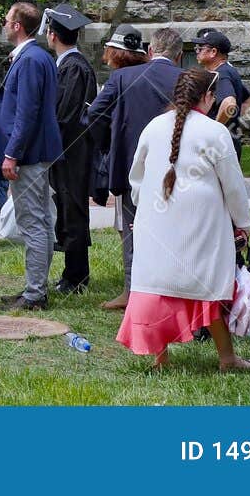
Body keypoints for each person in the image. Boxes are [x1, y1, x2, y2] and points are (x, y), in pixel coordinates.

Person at [117, 67, 250, 373]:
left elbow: (136, 177)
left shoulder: (153, 127)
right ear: (207, 97)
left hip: (157, 220)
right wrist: (243, 222)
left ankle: (161, 358)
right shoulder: (216, 132)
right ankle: (226, 358)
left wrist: (144, 211)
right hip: (200, 226)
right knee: (205, 287)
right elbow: (233, 185)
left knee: (159, 287)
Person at [86, 26, 182, 310]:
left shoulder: (122, 77)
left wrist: (108, 145)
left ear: (151, 51)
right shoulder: (186, 79)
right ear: (178, 57)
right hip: (174, 168)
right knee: (172, 230)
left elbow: (94, 114)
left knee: (130, 231)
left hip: (130, 166)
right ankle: (169, 292)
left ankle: (132, 291)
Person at [0, 1, 62, 312]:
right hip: (36, 151)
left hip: (29, 154)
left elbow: (27, 112)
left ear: (18, 26)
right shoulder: (38, 56)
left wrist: (12, 154)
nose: (5, 25)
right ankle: (35, 288)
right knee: (40, 221)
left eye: (7, 20)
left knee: (33, 222)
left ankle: (34, 294)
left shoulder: (30, 60)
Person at [47, 4, 96, 294]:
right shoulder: (67, 65)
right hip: (68, 149)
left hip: (72, 149)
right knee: (67, 207)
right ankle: (72, 272)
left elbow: (65, 114)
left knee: (74, 208)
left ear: (53, 35)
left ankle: (76, 275)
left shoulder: (74, 67)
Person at [87, 27, 146, 200]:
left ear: (114, 53)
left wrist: (106, 141)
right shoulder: (151, 75)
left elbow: (95, 112)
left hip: (125, 152)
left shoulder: (118, 78)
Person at [192, 27, 250, 165]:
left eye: (201, 48)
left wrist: (215, 129)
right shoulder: (229, 70)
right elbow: (248, 100)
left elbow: (229, 103)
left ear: (213, 52)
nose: (197, 51)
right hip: (229, 140)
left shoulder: (221, 74)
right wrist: (232, 122)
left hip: (219, 145)